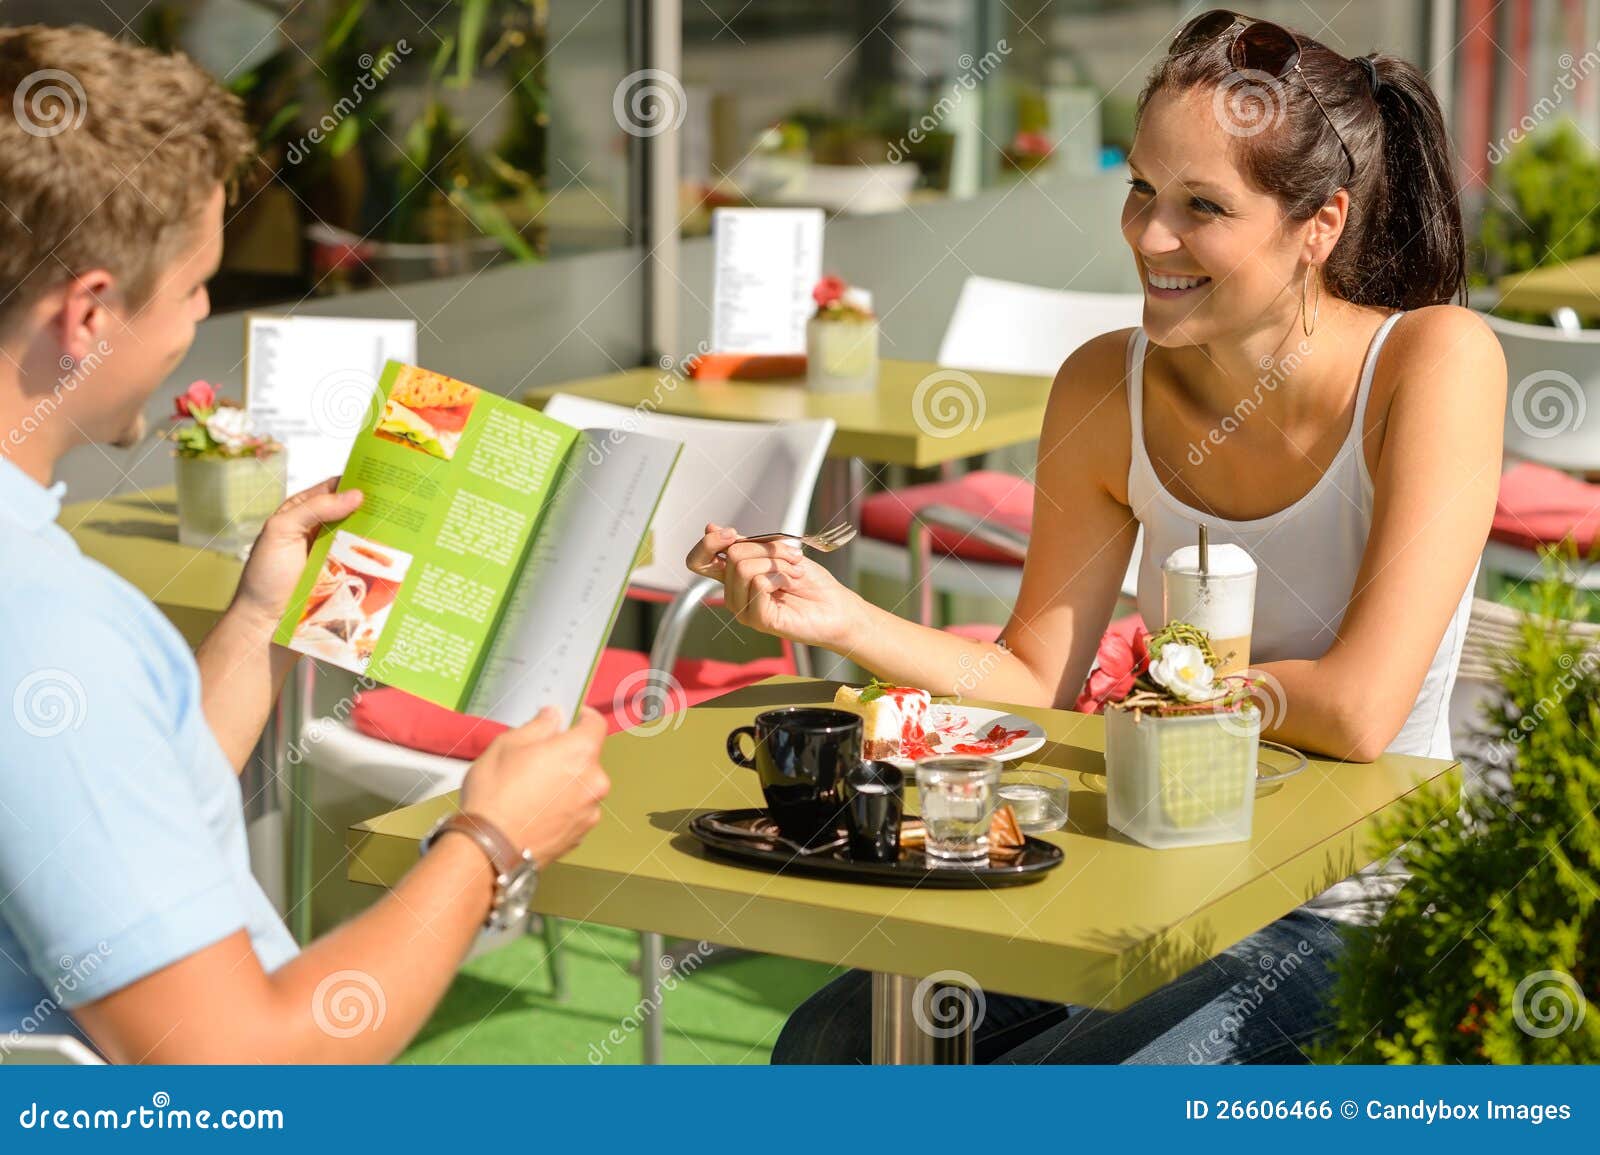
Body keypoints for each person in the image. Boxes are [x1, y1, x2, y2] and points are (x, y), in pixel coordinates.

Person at [688, 10, 1506, 1064]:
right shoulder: (1102, 384)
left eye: (1202, 206)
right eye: (1141, 190)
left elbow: (1357, 710)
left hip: (1349, 911)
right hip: (1154, 869)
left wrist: (1159, 693)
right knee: (832, 1044)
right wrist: (836, 612)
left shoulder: (1433, 362)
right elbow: (1034, 678)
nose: (1150, 238)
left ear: (1320, 224)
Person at [0, 25, 609, 1063]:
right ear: (90, 313)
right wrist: (491, 840)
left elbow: (103, 804)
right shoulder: (48, 632)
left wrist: (259, 621)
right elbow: (236, 1068)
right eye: (197, 285)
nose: (202, 316)